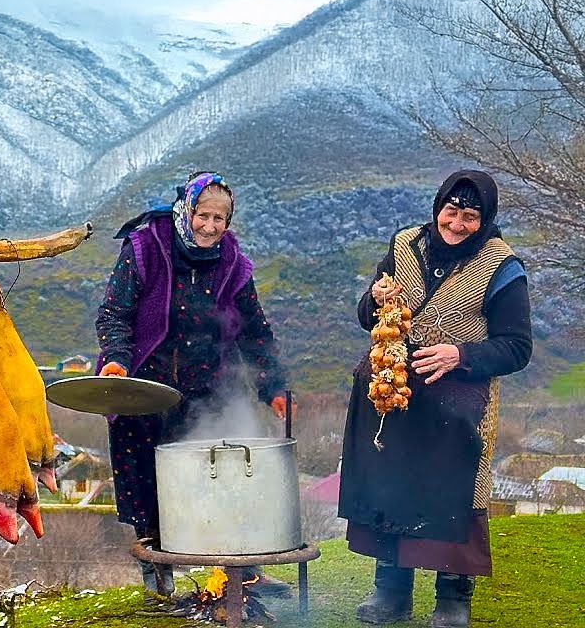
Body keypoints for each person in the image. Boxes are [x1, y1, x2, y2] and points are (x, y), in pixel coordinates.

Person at [338, 170, 531, 628]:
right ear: (437, 207)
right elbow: (369, 314)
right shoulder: (405, 245)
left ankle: (452, 596)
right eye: (451, 211)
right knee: (390, 484)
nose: (457, 224)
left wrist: (460, 353)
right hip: (395, 393)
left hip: (459, 403)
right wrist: (374, 296)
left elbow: (518, 347)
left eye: (470, 216)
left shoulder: (502, 267)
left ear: (484, 220)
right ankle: (391, 592)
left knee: (456, 490)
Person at [94, 171, 292, 607]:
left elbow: (255, 331)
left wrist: (272, 385)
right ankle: (156, 571)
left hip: (206, 389)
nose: (210, 226)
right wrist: (116, 361)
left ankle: (238, 573)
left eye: (220, 219)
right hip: (141, 385)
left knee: (218, 477)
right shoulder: (146, 247)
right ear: (186, 209)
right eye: (203, 215)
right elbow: (114, 313)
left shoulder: (233, 263)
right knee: (146, 483)